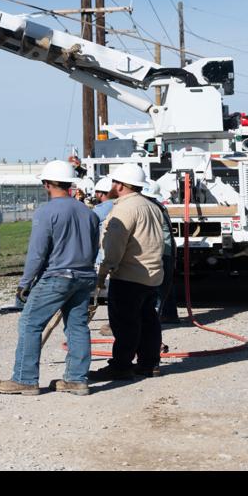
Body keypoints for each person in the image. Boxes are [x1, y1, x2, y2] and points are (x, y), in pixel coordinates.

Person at [0, 159, 100, 397]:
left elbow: (37, 252)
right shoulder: (87, 212)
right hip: (84, 275)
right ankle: (76, 379)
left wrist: (25, 283)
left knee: (30, 323)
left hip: (57, 276)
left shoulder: (47, 211)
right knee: (77, 327)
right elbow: (94, 248)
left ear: (47, 184)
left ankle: (24, 379)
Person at [91, 164, 165, 382]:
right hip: (151, 274)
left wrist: (104, 270)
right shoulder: (150, 205)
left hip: (129, 275)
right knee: (148, 321)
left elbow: (114, 245)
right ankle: (149, 364)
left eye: (114, 182)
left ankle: (121, 366)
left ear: (120, 185)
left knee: (125, 324)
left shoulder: (124, 208)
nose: (112, 185)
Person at [144, 181, 181, 323]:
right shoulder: (160, 206)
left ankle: (155, 318)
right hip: (168, 251)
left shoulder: (151, 208)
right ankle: (170, 315)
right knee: (166, 286)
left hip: (161, 251)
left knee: (158, 287)